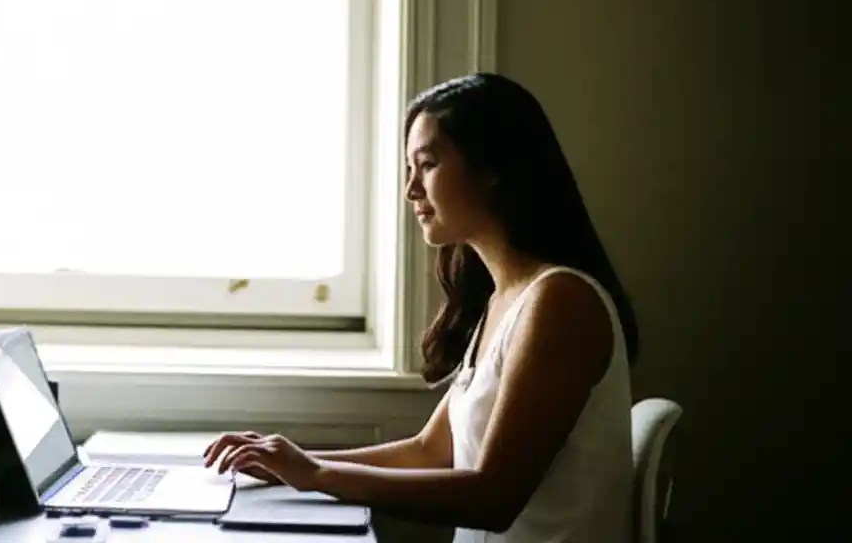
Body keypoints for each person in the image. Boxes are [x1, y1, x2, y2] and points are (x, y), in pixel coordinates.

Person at [204, 73, 641, 542]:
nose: (411, 189)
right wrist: (292, 464)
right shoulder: (504, 301)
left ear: (493, 166)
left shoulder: (560, 303)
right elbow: (429, 452)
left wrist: (317, 475)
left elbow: (493, 498)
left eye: (427, 164)